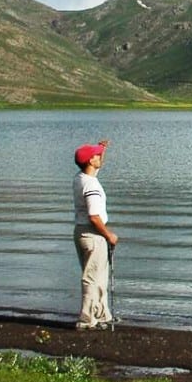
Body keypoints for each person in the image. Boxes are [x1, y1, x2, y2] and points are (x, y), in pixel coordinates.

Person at [72, 139, 117, 330]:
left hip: (82, 232)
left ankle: (100, 315)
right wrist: (109, 235)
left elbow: (97, 168)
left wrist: (103, 150)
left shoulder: (81, 177)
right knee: (92, 278)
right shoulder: (91, 186)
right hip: (93, 235)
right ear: (90, 161)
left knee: (98, 277)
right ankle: (87, 320)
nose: (100, 158)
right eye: (97, 155)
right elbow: (94, 216)